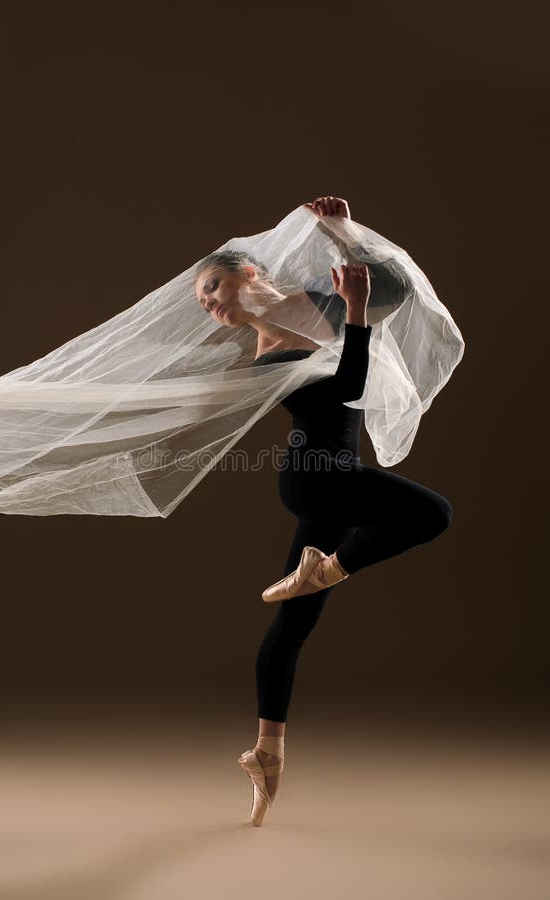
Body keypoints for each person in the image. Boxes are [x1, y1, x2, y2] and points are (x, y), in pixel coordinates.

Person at [194, 196, 454, 827]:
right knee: (433, 514)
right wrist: (359, 312)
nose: (208, 302)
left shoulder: (315, 302)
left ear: (248, 273)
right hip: (318, 479)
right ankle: (327, 568)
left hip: (326, 485)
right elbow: (348, 388)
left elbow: (395, 285)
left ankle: (266, 752)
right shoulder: (267, 347)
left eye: (212, 287)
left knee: (291, 628)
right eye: (202, 300)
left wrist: (339, 232)